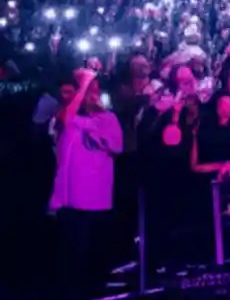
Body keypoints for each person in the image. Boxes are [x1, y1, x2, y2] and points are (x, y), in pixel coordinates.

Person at [49, 68, 123, 300]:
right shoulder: (65, 117)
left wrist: (97, 120)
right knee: (73, 258)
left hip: (99, 201)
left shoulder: (108, 118)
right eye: (86, 90)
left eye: (95, 89)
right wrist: (83, 85)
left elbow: (117, 147)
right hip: (71, 203)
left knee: (96, 257)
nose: (92, 93)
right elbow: (66, 119)